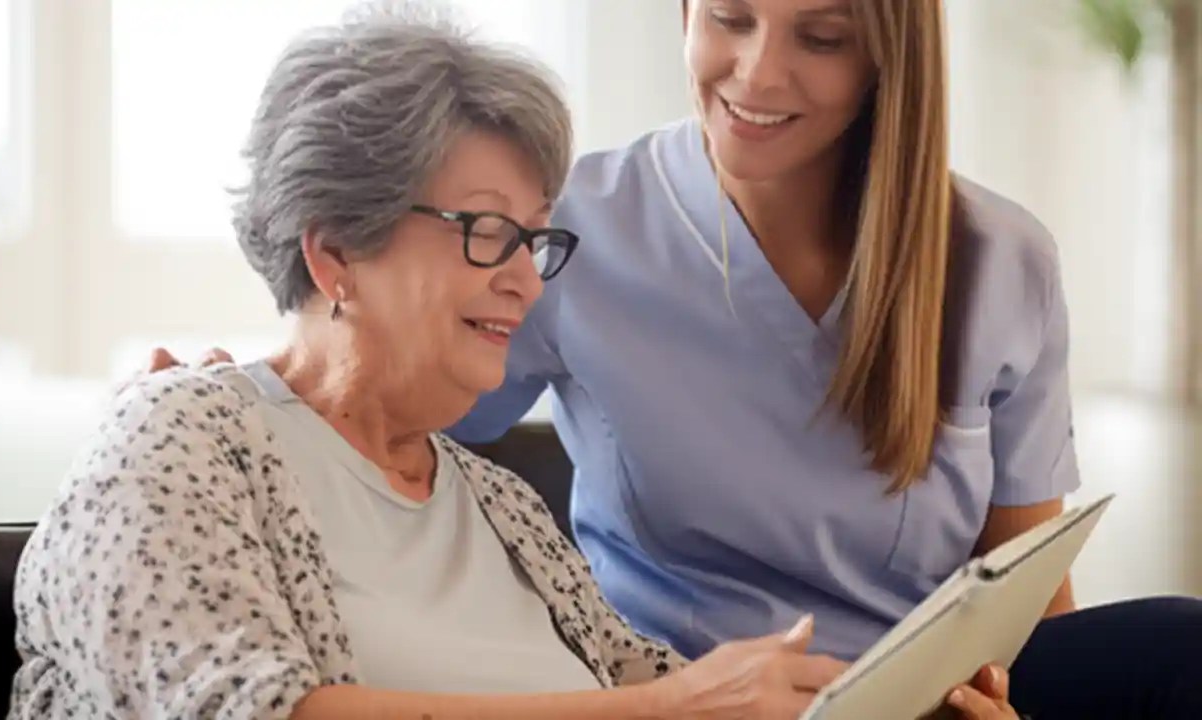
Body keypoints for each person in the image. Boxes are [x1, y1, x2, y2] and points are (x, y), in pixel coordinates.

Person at [153, 0, 1202, 717]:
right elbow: (378, 404)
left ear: (886, 53)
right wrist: (241, 400)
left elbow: (1023, 586)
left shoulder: (996, 257)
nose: (757, 72)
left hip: (930, 689)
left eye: (820, 37)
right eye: (730, 18)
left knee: (1177, 647)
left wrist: (999, 697)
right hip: (698, 694)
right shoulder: (570, 235)